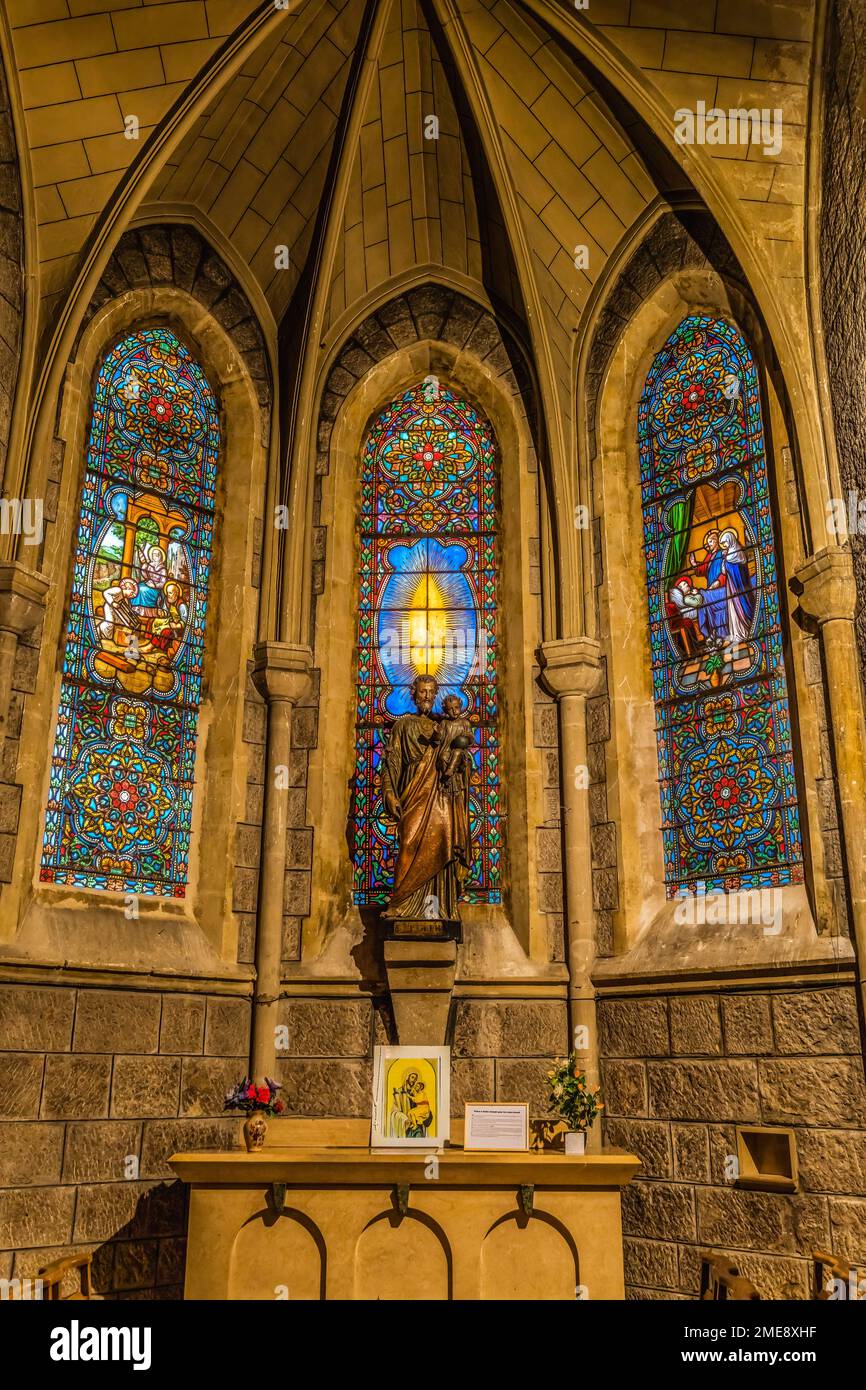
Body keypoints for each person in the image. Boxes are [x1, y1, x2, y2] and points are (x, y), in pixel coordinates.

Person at [380, 673, 471, 927]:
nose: (427, 696)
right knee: (408, 844)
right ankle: (400, 904)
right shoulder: (403, 725)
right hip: (413, 793)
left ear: (437, 693)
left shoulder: (444, 725)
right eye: (422, 692)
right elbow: (391, 762)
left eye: (431, 692)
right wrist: (389, 792)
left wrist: (459, 761)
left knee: (442, 846)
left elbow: (462, 757)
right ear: (414, 693)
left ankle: (440, 908)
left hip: (441, 797)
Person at [718, 527, 755, 643]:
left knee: (742, 605)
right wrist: (725, 559)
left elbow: (728, 568)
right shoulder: (731, 553)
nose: (725, 545)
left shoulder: (737, 553)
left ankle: (746, 629)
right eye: (723, 543)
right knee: (734, 606)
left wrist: (725, 560)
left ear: (730, 540)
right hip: (733, 586)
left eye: (725, 542)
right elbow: (724, 571)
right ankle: (738, 632)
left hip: (739, 586)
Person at [437, 693, 474, 791]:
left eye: (456, 707)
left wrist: (467, 736)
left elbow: (471, 739)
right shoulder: (444, 723)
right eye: (450, 709)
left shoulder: (465, 723)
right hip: (447, 751)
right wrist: (436, 734)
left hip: (461, 754)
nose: (454, 711)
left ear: (460, 707)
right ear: (445, 710)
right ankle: (447, 781)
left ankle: (450, 771)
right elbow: (438, 738)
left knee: (457, 752)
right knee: (443, 757)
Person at [665, 578, 703, 658]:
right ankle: (693, 649)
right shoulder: (683, 597)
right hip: (678, 618)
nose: (688, 585)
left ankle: (695, 648)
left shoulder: (686, 596)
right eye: (685, 584)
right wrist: (697, 595)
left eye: (687, 583)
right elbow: (695, 602)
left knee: (688, 620)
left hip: (682, 615)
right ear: (680, 588)